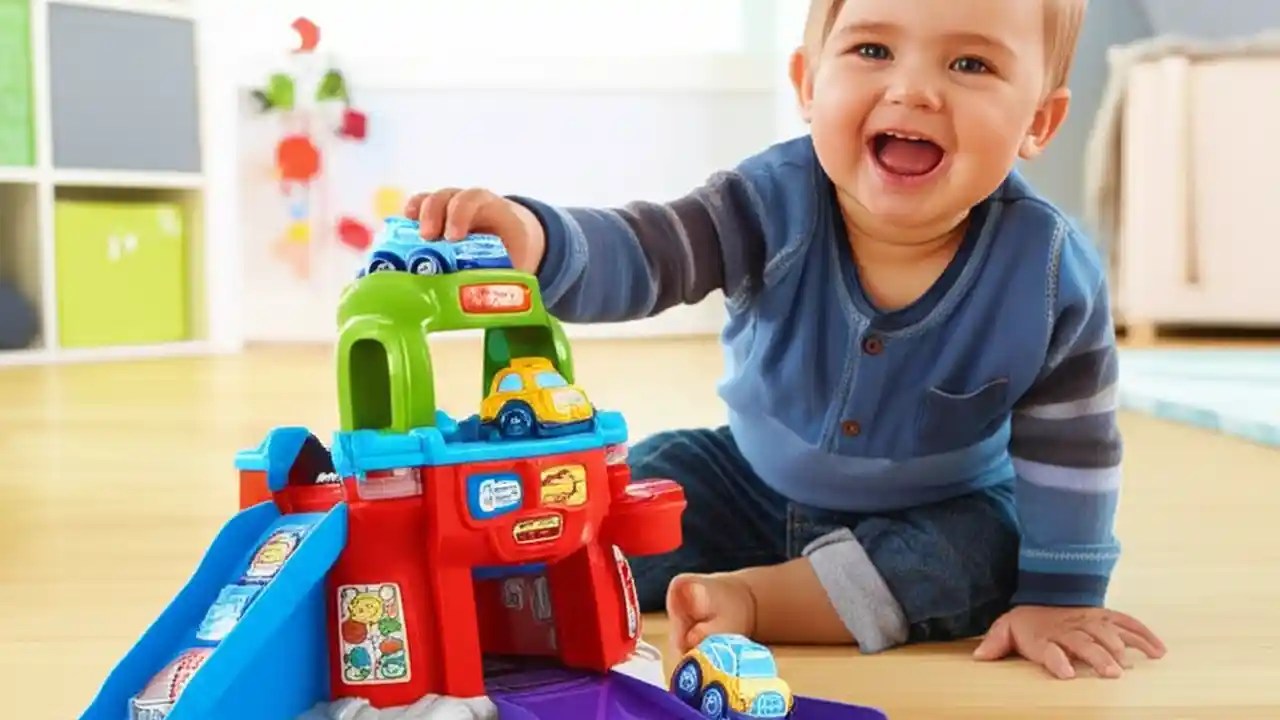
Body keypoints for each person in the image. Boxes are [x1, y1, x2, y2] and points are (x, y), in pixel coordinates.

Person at [402, 0, 1167, 680]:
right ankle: (482, 580)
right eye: (873, 50)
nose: (913, 90)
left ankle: (755, 600)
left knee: (982, 557)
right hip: (744, 480)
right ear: (808, 82)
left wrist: (1061, 596)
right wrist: (537, 240)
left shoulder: (1049, 273)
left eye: (970, 64)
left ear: (1039, 121)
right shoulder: (768, 202)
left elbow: (1074, 448)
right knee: (620, 497)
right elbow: (649, 250)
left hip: (940, 509)